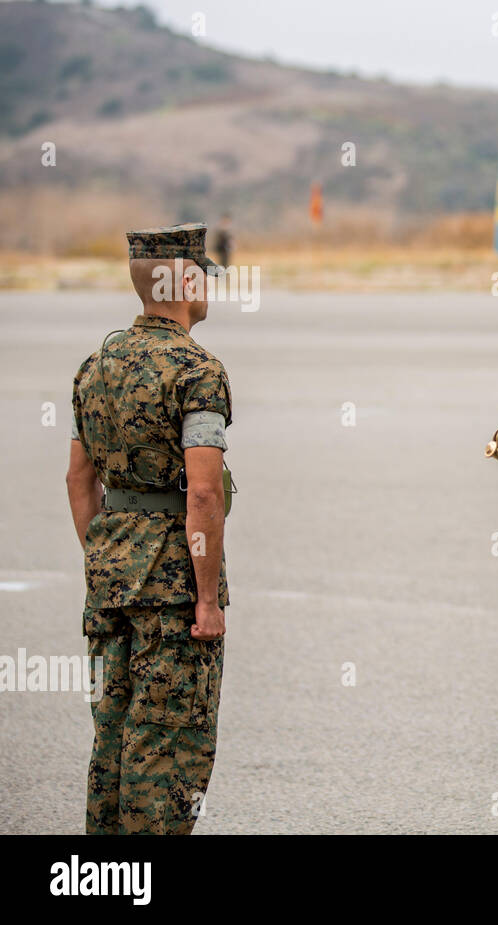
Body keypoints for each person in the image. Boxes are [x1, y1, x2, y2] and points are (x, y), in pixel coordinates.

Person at [66, 223, 232, 834]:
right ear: (185, 282)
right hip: (173, 587)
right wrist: (207, 598)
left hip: (110, 583)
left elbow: (78, 481)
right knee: (167, 749)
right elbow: (205, 492)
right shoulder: (197, 372)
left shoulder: (96, 365)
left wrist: (107, 562)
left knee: (111, 737)